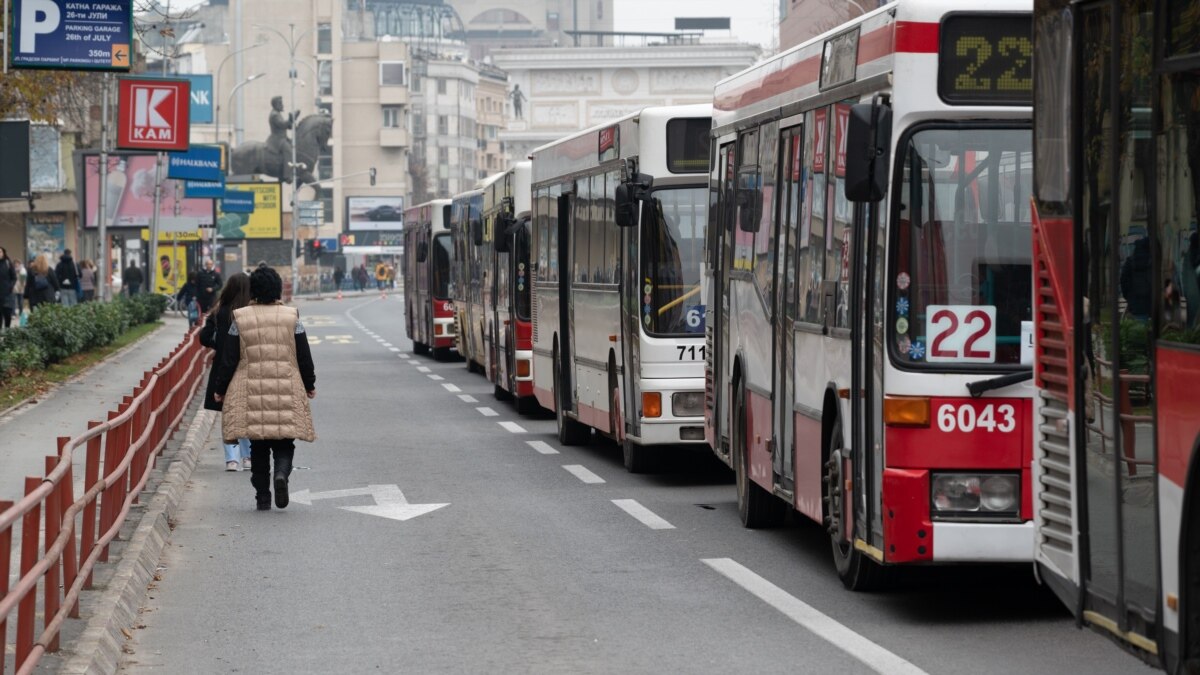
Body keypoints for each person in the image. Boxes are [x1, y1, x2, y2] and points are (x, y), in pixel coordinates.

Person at [213, 266, 317, 511]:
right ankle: (281, 474)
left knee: (258, 446)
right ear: (277, 289)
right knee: (284, 443)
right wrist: (309, 383)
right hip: (286, 387)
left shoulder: (240, 318)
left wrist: (220, 388)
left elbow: (229, 358)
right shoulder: (292, 318)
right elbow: (304, 355)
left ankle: (262, 496)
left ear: (254, 290)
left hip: (252, 391)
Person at [200, 273, 253, 472]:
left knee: (228, 413)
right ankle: (249, 457)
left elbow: (204, 337)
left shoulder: (219, 311)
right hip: (248, 368)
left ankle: (232, 459)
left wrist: (219, 345)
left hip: (223, 367)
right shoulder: (252, 312)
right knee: (248, 413)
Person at [1120, 237, 1153, 321]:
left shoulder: (1130, 262)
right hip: (1148, 302)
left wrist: (1128, 296)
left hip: (1134, 301)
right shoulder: (1151, 262)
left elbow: (1123, 281)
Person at [0, 247, 17, 329]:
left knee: (7, 314)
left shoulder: (8, 263)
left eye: (0, 252)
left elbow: (14, 277)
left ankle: (7, 330)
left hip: (7, 293)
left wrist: (10, 286)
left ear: (3, 253)